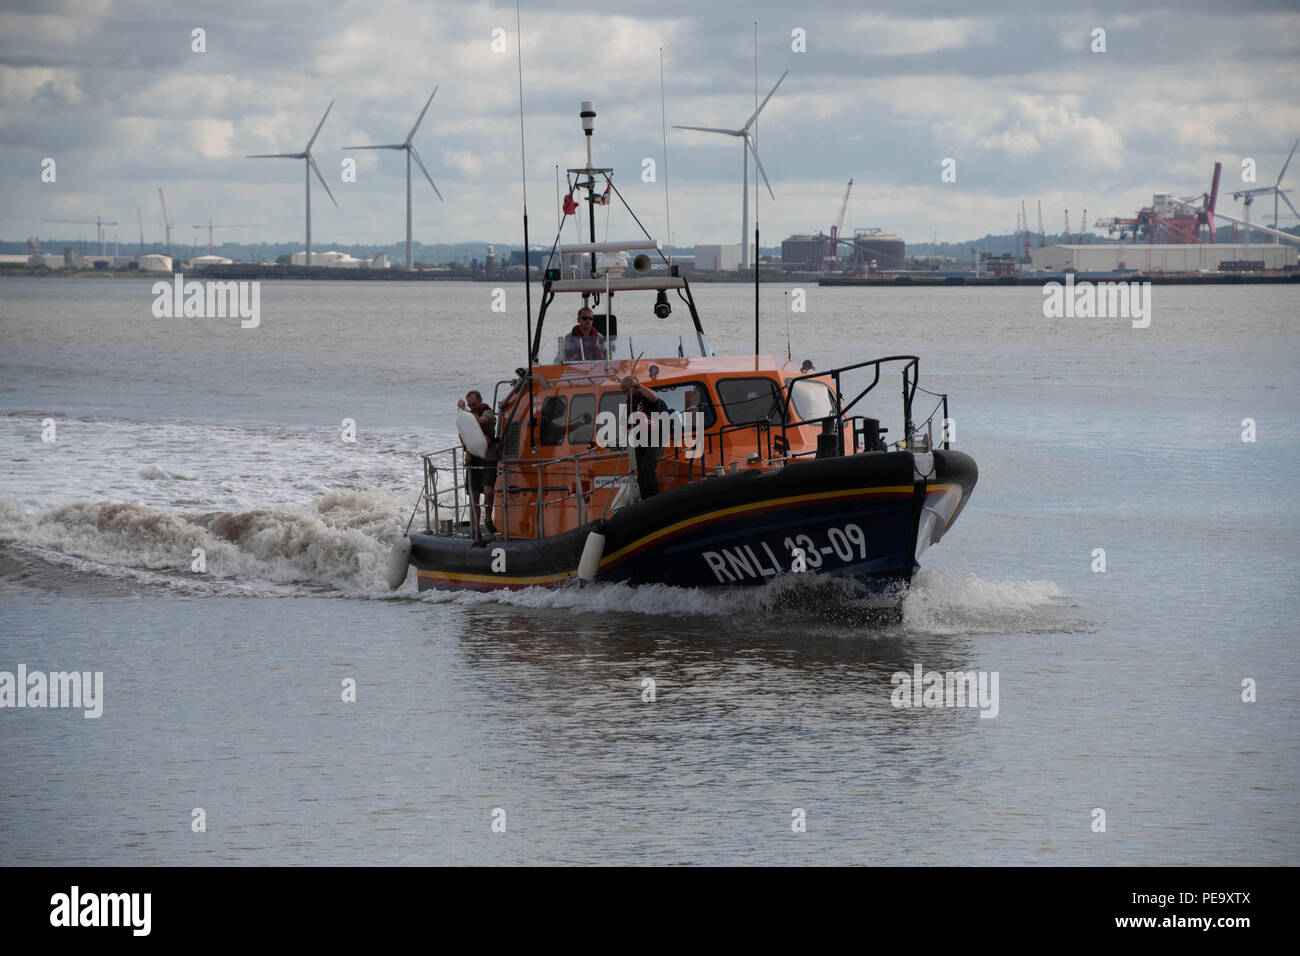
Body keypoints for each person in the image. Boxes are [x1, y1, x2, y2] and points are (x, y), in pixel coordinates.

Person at [621, 375, 668, 500]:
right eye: (624, 391)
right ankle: (646, 501)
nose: (626, 394)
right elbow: (629, 421)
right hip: (640, 440)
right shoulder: (630, 402)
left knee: (648, 468)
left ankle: (654, 500)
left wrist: (637, 385)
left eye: (627, 390)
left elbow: (654, 397)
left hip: (656, 438)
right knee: (641, 475)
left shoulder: (646, 397)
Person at [458, 390, 498, 535]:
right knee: (474, 496)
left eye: (474, 404)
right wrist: (462, 413)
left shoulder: (488, 413)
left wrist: (464, 411)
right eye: (470, 405)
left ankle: (488, 518)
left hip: (488, 457)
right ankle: (475, 527)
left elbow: (479, 421)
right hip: (472, 458)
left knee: (488, 491)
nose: (472, 406)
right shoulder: (467, 415)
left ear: (481, 400)